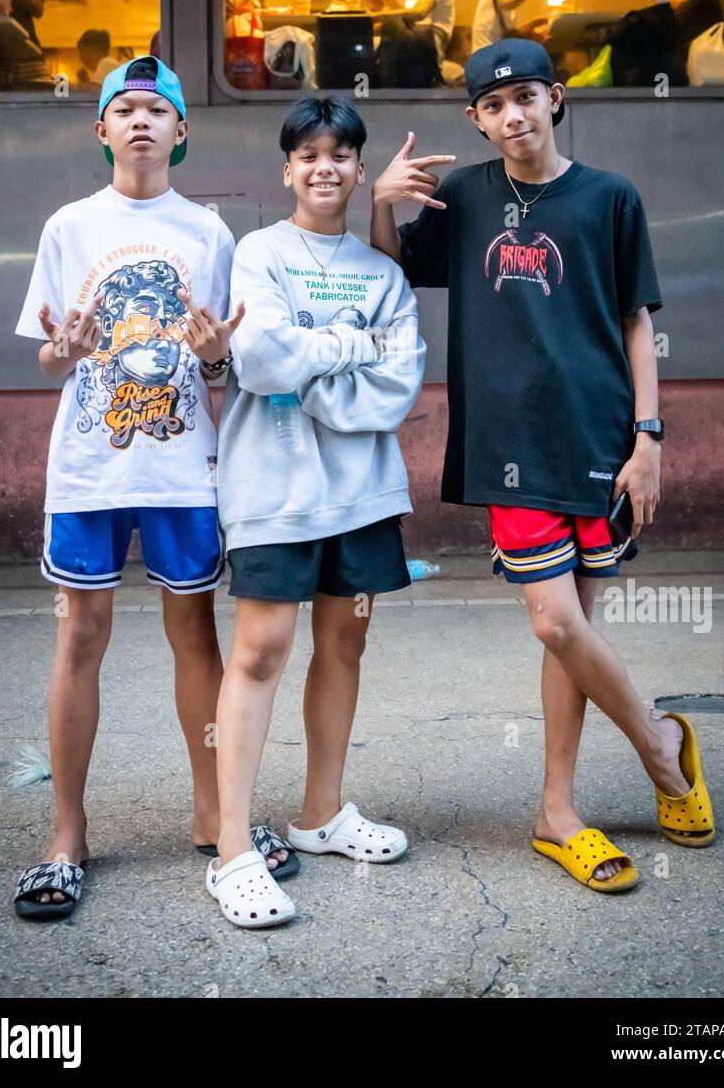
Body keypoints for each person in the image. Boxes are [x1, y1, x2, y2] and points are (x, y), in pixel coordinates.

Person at [369, 38, 715, 894]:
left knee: (578, 629)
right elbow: (389, 278)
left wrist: (649, 440)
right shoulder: (462, 196)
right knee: (556, 624)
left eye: (525, 95)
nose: (512, 115)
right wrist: (380, 202)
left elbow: (636, 323)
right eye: (493, 104)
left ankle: (558, 812)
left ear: (556, 97)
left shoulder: (609, 198)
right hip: (508, 442)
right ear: (475, 119)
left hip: (599, 439)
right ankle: (662, 747)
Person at [11, 54, 290, 920]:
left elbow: (220, 356)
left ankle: (215, 815)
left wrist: (212, 353)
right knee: (80, 637)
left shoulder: (209, 234)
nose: (140, 121)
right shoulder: (67, 227)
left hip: (180, 467)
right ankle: (66, 833)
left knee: (193, 634)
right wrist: (69, 349)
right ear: (101, 130)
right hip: (90, 469)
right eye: (123, 108)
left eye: (155, 109)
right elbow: (49, 358)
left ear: (180, 129)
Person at [206, 96, 428, 928]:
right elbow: (259, 362)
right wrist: (351, 348)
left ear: (359, 168)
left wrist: (313, 362)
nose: (324, 166)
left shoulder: (386, 273)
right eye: (308, 154)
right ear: (287, 169)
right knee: (261, 650)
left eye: (341, 153)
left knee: (346, 639)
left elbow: (396, 387)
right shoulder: (257, 252)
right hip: (272, 487)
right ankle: (233, 851)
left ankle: (322, 814)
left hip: (362, 490)